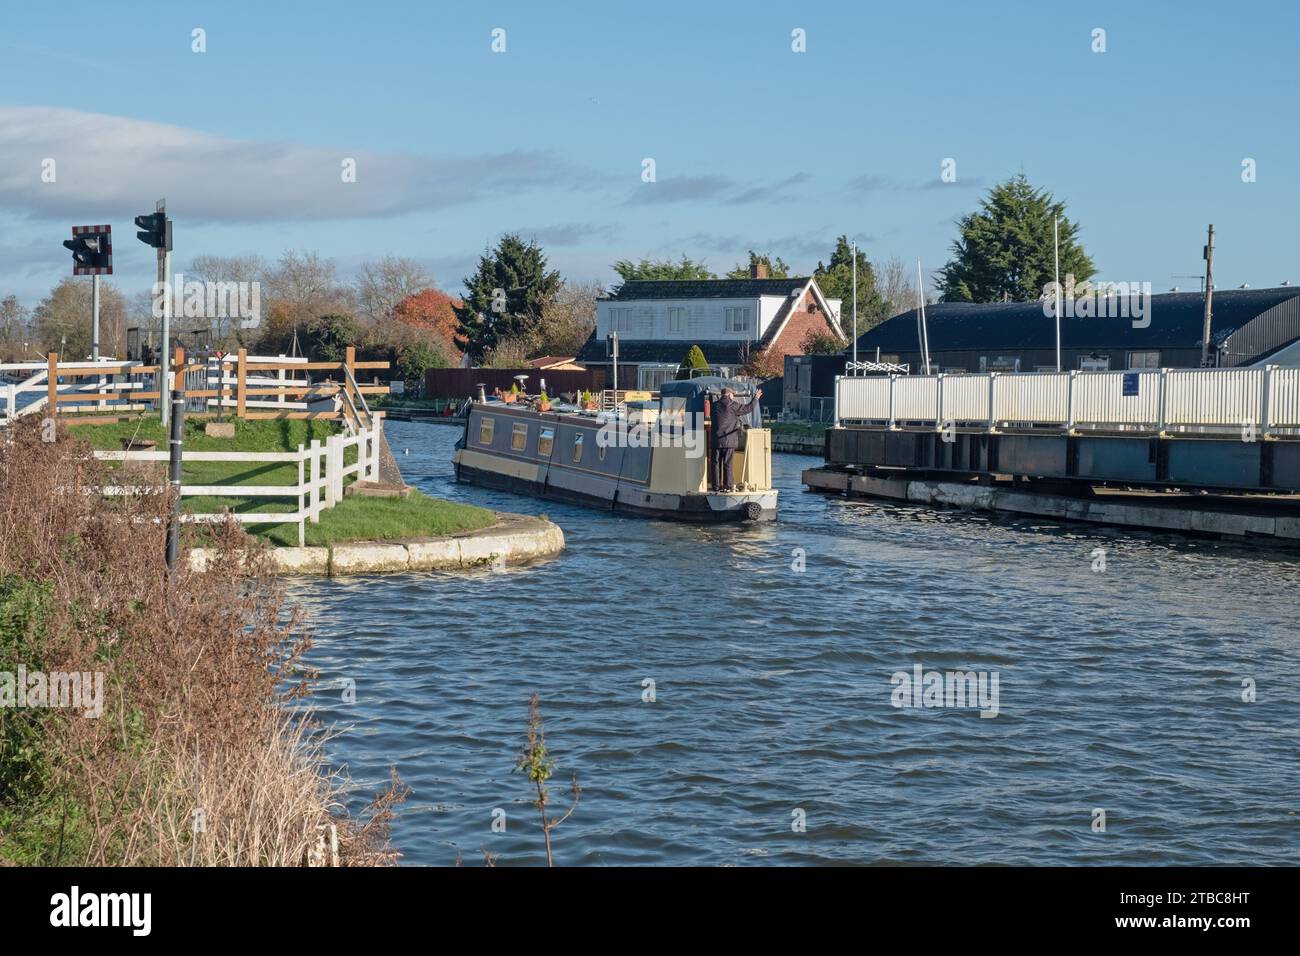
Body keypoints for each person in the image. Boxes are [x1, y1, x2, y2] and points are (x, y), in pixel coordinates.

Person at [709, 386, 761, 492]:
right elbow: (748, 408)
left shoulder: (714, 406)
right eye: (733, 395)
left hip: (716, 441)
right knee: (727, 463)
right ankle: (727, 486)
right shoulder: (732, 405)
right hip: (729, 440)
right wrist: (755, 398)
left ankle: (716, 487)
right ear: (729, 395)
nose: (733, 396)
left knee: (715, 463)